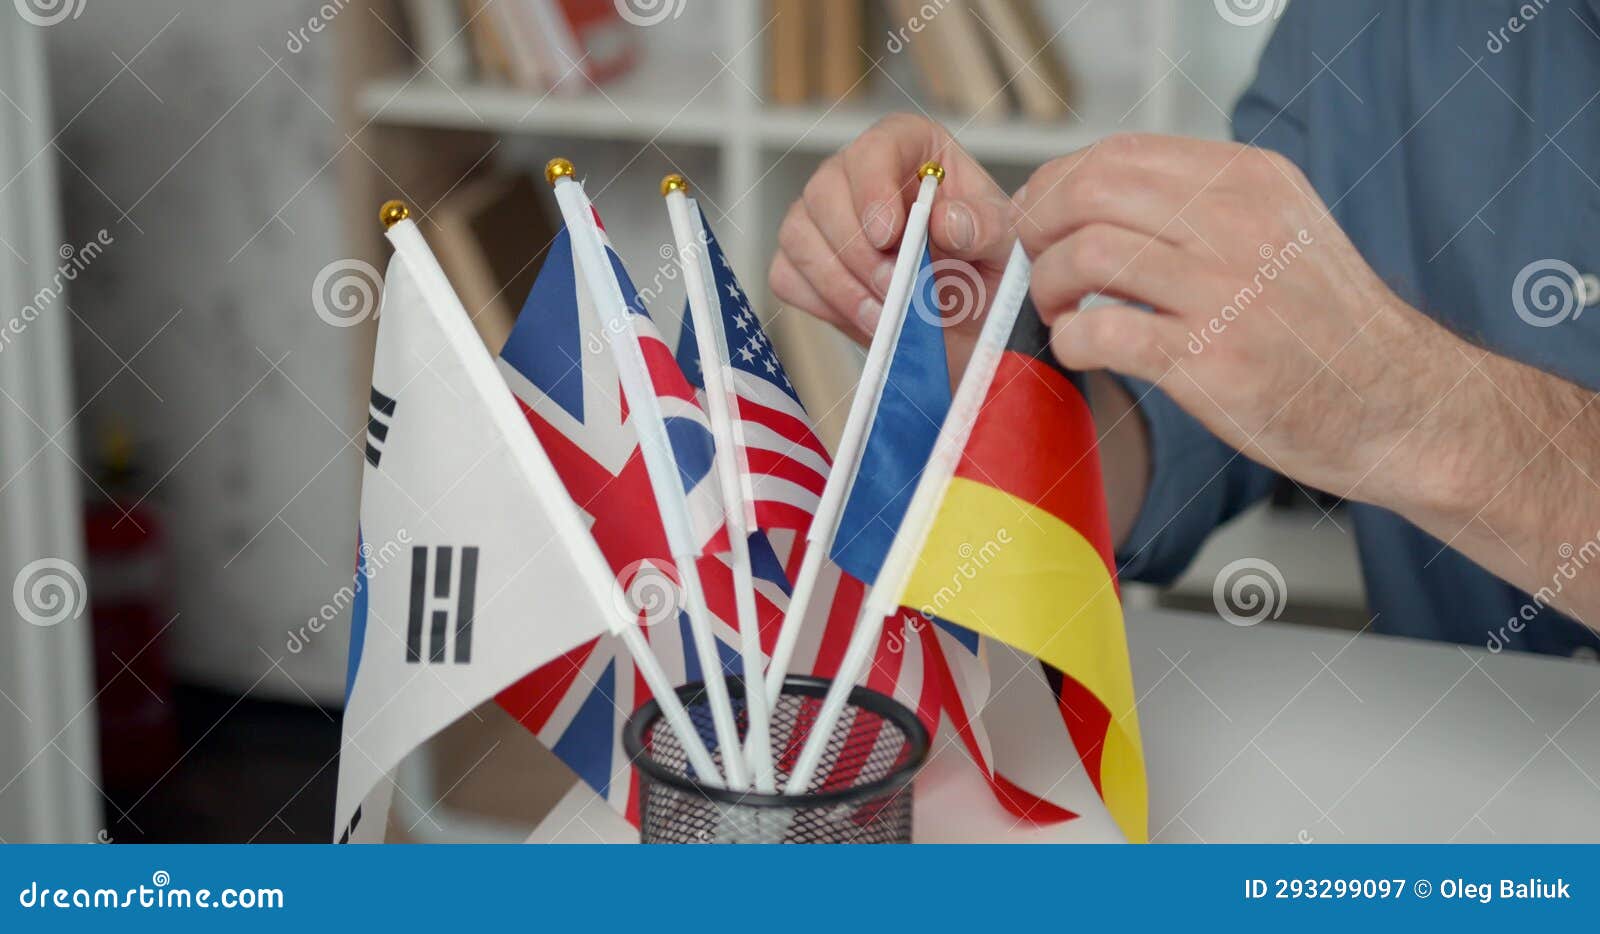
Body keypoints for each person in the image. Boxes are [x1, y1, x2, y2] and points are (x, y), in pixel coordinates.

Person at [769, 0, 1600, 658]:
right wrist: (998, 369)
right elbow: (1197, 427)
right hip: (1452, 792)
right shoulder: (1358, 21)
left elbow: (1352, 386)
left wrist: (1408, 408)